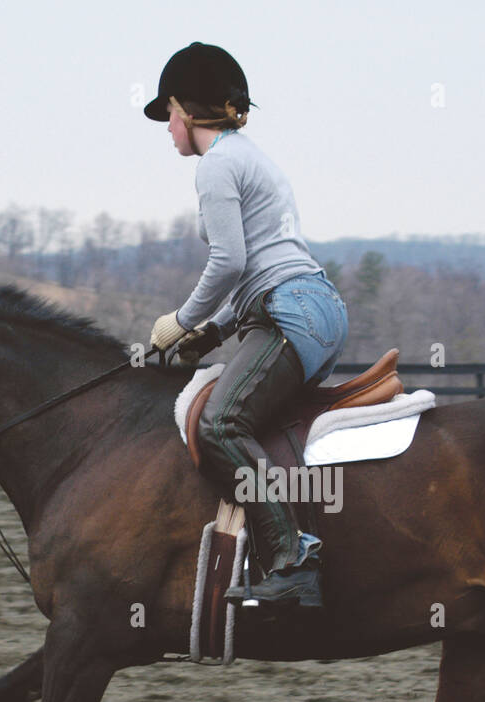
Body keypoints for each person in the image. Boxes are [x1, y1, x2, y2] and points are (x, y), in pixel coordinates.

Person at [145, 42, 348, 609]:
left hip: (291, 314)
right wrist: (211, 334)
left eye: (169, 115)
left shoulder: (215, 167)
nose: (167, 129)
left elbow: (230, 262)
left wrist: (180, 321)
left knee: (219, 424)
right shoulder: (250, 156)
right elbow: (260, 267)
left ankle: (294, 559)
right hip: (306, 307)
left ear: (186, 110)